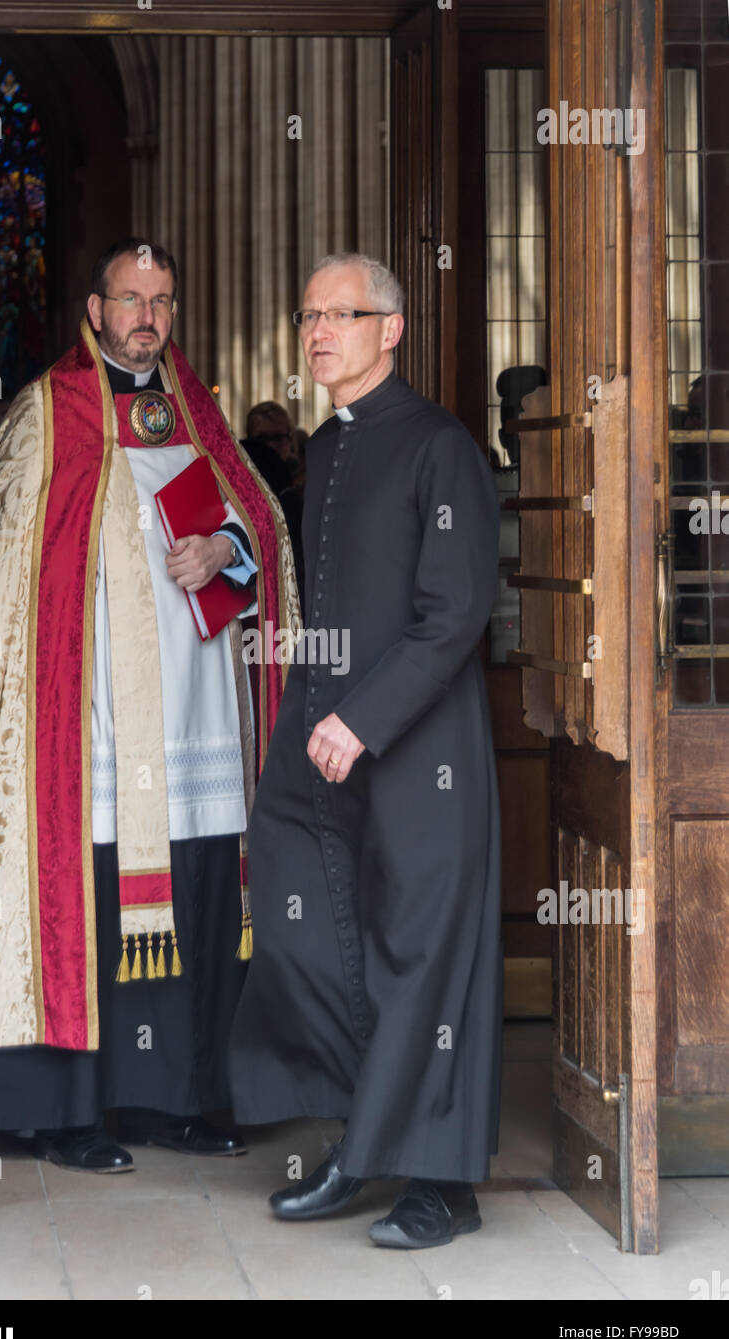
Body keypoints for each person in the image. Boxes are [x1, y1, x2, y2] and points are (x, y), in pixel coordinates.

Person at [0, 238, 299, 1173]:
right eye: (130, 298)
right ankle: (69, 1113)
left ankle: (173, 1100)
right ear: (95, 308)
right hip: (87, 728)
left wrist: (225, 553)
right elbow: (11, 576)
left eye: (162, 301)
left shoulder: (199, 413)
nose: (147, 316)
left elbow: (262, 526)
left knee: (190, 899)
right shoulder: (47, 414)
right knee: (88, 903)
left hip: (199, 718)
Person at [229, 252, 502, 1248]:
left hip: (421, 746)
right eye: (306, 315)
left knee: (423, 953)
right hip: (329, 737)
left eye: (338, 315)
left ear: (390, 329)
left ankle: (440, 1183)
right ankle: (369, 1132)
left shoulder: (441, 446)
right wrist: (308, 720)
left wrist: (363, 719)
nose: (316, 333)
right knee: (302, 904)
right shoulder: (330, 445)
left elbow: (455, 612)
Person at [241, 401, 296, 499]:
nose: (271, 445)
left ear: (290, 439)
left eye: (279, 437)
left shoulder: (305, 480)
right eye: (262, 438)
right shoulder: (238, 479)